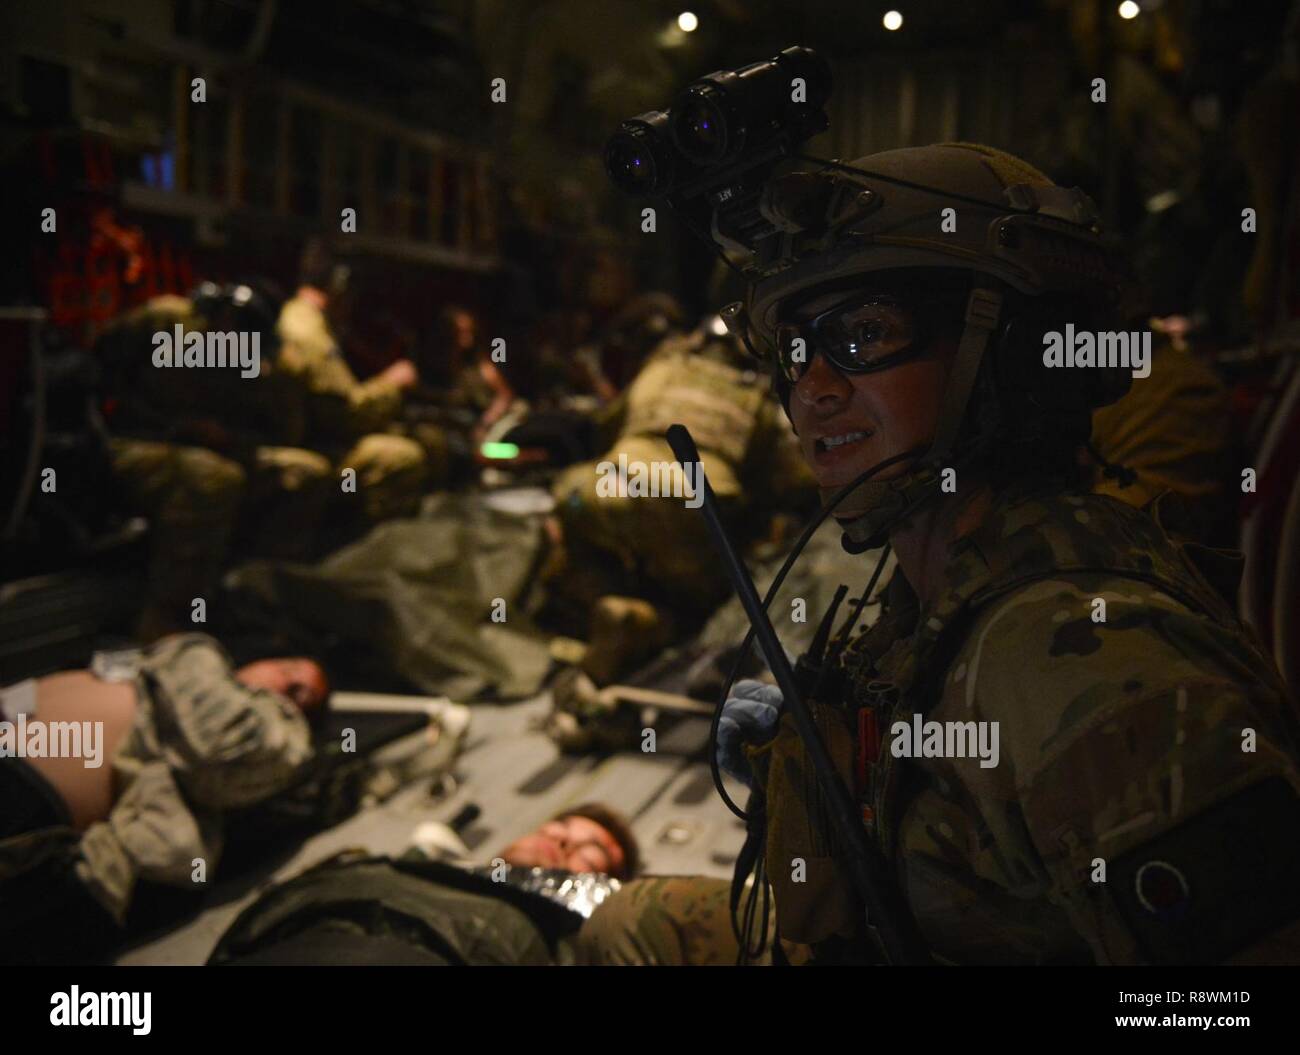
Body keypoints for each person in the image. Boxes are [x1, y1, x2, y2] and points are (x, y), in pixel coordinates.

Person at [584, 142, 1300, 966]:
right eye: (793, 351)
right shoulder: (944, 579)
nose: (812, 387)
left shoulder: (1076, 659)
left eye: (864, 333)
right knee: (635, 922)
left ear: (1008, 352)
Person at [0, 634, 327, 953]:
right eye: (288, 667)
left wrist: (191, 645)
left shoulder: (279, 735)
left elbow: (217, 737)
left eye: (302, 695)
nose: (290, 684)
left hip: (24, 790)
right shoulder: (175, 673)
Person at [99, 284, 334, 638]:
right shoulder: (165, 322)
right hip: (127, 440)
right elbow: (93, 368)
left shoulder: (261, 360)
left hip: (207, 449)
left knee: (305, 473)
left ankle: (249, 593)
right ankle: (169, 619)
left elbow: (275, 430)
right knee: (211, 479)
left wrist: (229, 437)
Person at [206, 804, 640, 966]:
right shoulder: (393, 867)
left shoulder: (573, 937)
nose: (563, 839)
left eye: (593, 851)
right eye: (560, 824)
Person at [275, 239, 427, 529]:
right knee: (402, 458)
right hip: (317, 445)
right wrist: (392, 384)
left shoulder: (302, 321)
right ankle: (363, 553)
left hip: (312, 437)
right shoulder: (309, 333)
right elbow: (347, 413)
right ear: (339, 283)